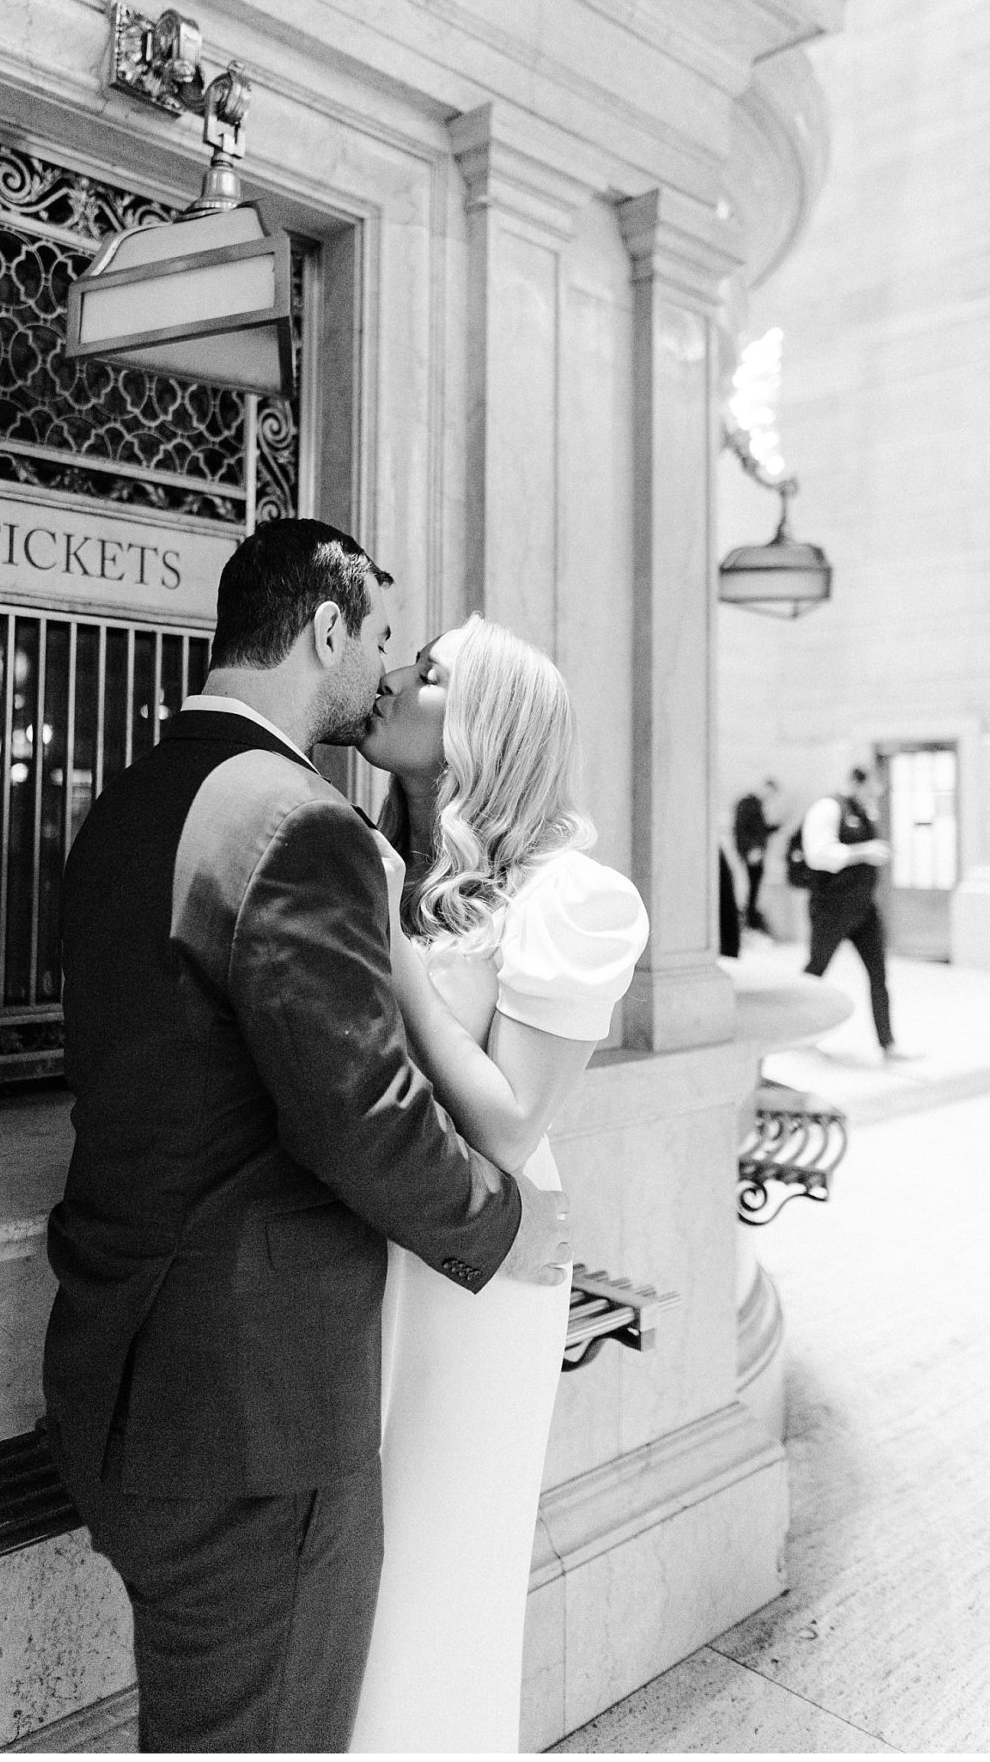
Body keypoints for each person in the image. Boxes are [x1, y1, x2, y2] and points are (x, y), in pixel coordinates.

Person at [42, 519, 571, 1754]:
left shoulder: (123, 804)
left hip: (115, 1368)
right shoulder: (298, 820)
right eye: (380, 636)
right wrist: (507, 1224)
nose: (386, 671)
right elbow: (359, 1110)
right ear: (325, 627)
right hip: (248, 1422)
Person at [349, 615, 649, 1754]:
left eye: (426, 673)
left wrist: (386, 944)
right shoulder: (395, 859)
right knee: (359, 1550)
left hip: (482, 1263)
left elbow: (515, 1122)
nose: (392, 678)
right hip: (373, 1233)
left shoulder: (571, 894)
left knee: (437, 1550)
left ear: (486, 721)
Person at [801, 764, 918, 1061]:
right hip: (831, 907)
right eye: (870, 788)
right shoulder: (828, 809)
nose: (874, 794)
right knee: (816, 969)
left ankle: (887, 1042)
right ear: (856, 782)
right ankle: (801, 1033)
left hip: (864, 908)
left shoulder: (863, 811)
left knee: (879, 974)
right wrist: (862, 852)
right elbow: (818, 855)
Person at [733, 775, 780, 934]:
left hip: (756, 852)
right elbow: (742, 830)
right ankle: (749, 924)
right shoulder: (748, 804)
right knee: (751, 889)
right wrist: (749, 851)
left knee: (755, 888)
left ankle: (751, 922)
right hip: (751, 853)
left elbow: (757, 830)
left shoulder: (756, 805)